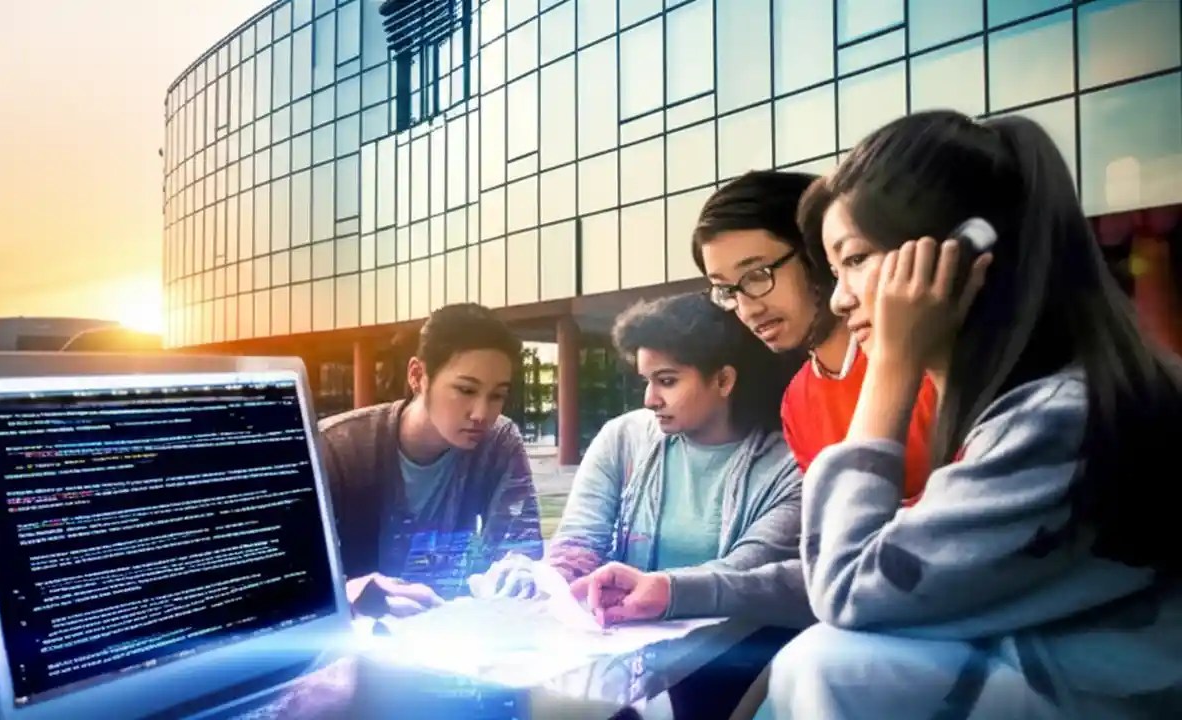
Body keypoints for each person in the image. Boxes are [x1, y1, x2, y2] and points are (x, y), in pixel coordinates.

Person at [760, 110, 1182, 718]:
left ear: (963, 254)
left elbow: (846, 588)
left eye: (855, 260)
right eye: (834, 271)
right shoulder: (1048, 404)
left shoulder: (1060, 419)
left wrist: (891, 370)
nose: (840, 298)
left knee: (832, 663)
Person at [484, 292, 810, 633]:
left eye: (667, 381)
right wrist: (544, 577)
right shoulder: (623, 437)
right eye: (647, 381)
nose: (650, 400)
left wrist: (666, 592)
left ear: (723, 380)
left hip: (731, 656)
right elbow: (581, 541)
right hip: (622, 643)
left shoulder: (788, 466)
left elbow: (744, 571)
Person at [692, 171, 938, 502]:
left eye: (757, 275)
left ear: (817, 254)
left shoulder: (923, 358)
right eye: (727, 289)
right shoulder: (798, 403)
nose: (748, 309)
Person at [317, 302, 543, 617]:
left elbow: (520, 549)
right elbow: (288, 577)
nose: (481, 414)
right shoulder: (337, 447)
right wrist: (346, 590)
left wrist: (516, 572)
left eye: (496, 395)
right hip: (359, 638)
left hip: (456, 636)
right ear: (417, 375)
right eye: (466, 390)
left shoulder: (498, 442)